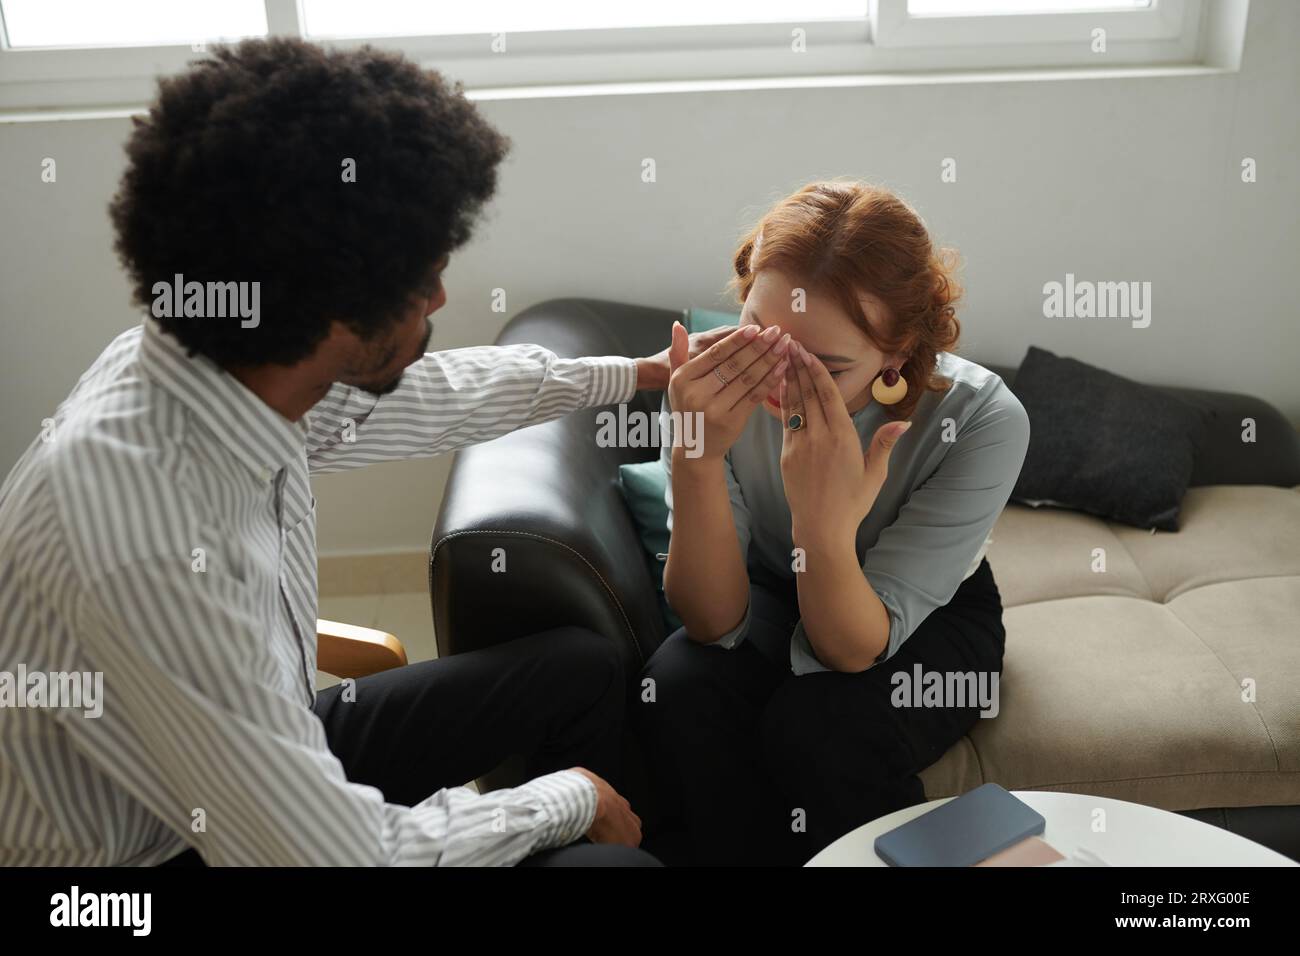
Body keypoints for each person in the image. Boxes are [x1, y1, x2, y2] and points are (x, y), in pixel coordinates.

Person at [0, 38, 728, 867]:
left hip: (247, 752)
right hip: (152, 863)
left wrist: (639, 374)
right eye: (427, 279)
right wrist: (566, 800)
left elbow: (438, 393)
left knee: (582, 668)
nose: (444, 297)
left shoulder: (228, 364)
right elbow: (338, 858)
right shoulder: (141, 528)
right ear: (337, 307)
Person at [633, 181, 1032, 865]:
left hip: (927, 618)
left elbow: (850, 651)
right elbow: (711, 622)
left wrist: (822, 520)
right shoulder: (712, 384)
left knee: (823, 725)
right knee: (680, 683)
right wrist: (694, 460)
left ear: (898, 350)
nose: (776, 383)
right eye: (760, 337)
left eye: (827, 368)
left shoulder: (983, 420)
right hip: (771, 582)